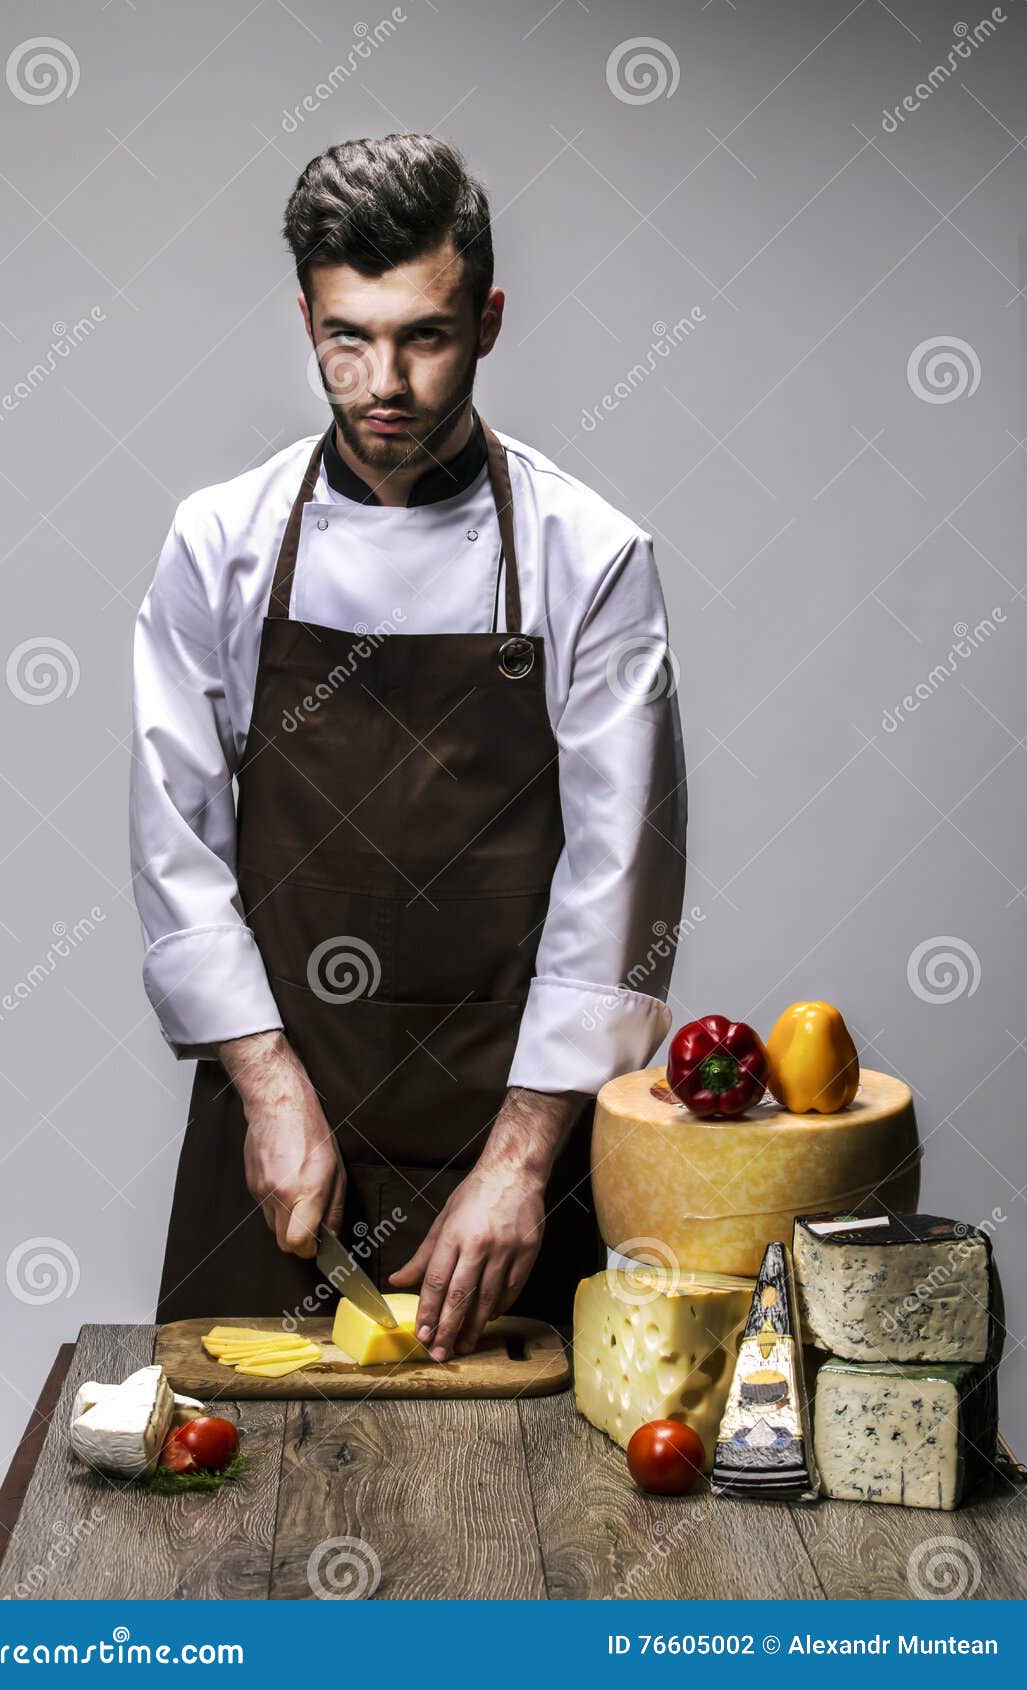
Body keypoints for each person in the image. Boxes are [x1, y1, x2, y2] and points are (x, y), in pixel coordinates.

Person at [130, 132, 686, 1361]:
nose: (383, 381)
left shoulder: (588, 558)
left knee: (534, 1534)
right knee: (216, 1515)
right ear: (306, 317)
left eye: (423, 336)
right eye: (347, 335)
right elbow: (175, 844)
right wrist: (268, 1092)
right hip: (279, 1125)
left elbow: (621, 883)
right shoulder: (217, 542)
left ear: (485, 321)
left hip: (512, 1144)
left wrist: (524, 1160)